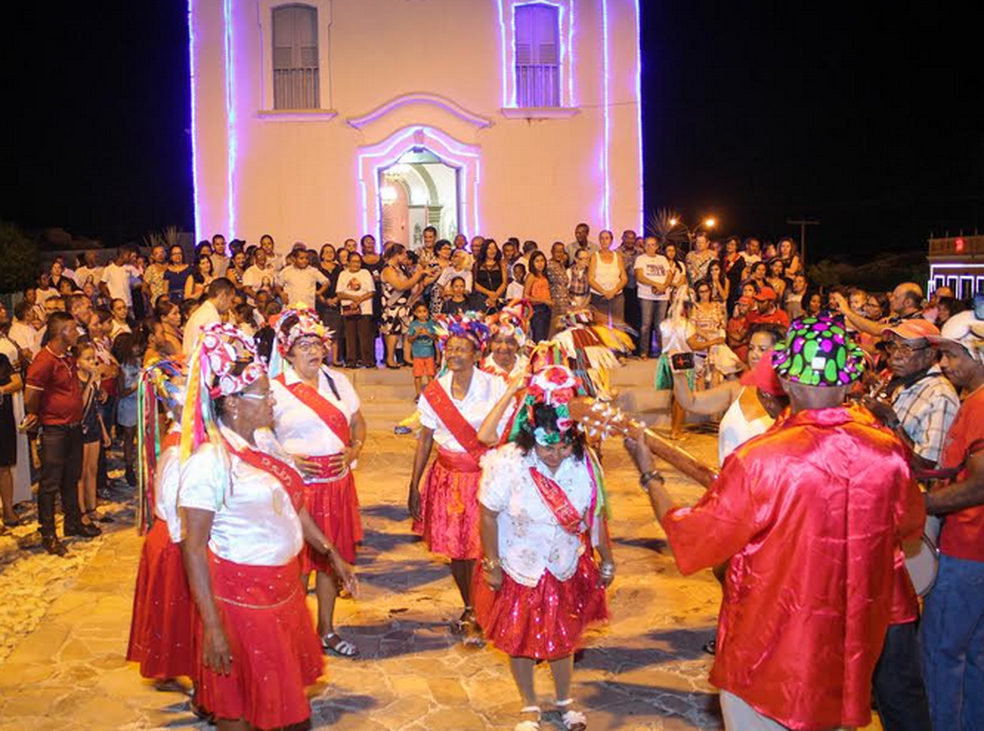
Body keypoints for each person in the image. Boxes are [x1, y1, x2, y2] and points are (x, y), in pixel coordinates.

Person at [626, 315, 926, 731]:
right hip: (847, 661)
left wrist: (649, 475)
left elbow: (691, 539)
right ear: (847, 382)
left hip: (766, 664)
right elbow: (909, 530)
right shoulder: (888, 454)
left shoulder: (760, 460)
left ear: (785, 382)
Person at [179, 322, 356, 731]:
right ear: (235, 404)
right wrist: (212, 627)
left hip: (282, 590)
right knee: (239, 703)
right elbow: (193, 548)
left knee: (281, 698)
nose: (273, 398)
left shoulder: (267, 442)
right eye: (263, 392)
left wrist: (332, 553)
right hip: (240, 599)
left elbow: (295, 505)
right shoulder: (210, 463)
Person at [474, 365, 613, 731]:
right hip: (519, 562)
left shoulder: (585, 462)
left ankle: (566, 701)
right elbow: (487, 512)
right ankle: (529, 706)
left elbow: (596, 515)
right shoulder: (508, 462)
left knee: (564, 637)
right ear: (531, 437)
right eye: (546, 446)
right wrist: (491, 563)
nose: (555, 454)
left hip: (565, 561)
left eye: (563, 445)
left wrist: (607, 557)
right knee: (518, 638)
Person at [269, 307, 366, 658]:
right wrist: (287, 459)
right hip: (298, 490)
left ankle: (326, 630)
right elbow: (260, 436)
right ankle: (292, 634)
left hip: (337, 484)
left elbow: (358, 423)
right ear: (288, 351)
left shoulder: (338, 382)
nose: (312, 350)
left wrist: (355, 447)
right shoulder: (276, 390)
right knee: (296, 566)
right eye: (304, 344)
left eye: (317, 343)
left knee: (330, 561)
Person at [407, 315, 508, 640]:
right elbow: (425, 438)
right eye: (449, 348)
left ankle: (493, 605)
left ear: (477, 353)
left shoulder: (495, 386)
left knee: (487, 547)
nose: (454, 354)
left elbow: (505, 434)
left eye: (462, 348)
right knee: (458, 550)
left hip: (486, 477)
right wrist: (414, 484)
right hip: (448, 479)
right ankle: (470, 606)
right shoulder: (434, 392)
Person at [920, 310, 984, 730]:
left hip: (965, 550)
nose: (945, 365)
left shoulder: (979, 406)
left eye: (954, 355)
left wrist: (921, 507)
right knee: (975, 657)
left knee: (942, 656)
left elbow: (979, 485)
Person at [125, 359, 196, 688]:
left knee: (177, 611)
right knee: (177, 611)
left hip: (172, 534)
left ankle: (172, 666)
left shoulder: (183, 441)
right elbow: (172, 503)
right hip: (173, 537)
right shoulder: (177, 450)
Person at [24, 312, 98, 555]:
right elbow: (31, 396)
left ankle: (72, 522)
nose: (77, 333)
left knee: (71, 477)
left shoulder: (66, 357)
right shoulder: (44, 360)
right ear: (61, 332)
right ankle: (48, 534)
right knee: (50, 483)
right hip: (55, 429)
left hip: (73, 426)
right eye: (73, 329)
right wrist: (36, 415)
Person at [673, 323, 786, 463]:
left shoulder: (790, 399)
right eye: (751, 348)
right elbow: (691, 402)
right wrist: (679, 376)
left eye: (762, 349)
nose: (754, 355)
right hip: (728, 481)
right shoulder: (737, 388)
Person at [75, 341, 111, 526]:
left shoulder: (93, 381)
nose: (92, 362)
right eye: (87, 359)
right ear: (77, 362)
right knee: (80, 473)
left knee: (93, 470)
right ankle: (81, 511)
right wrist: (90, 381)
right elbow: (80, 405)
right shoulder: (76, 381)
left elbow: (96, 408)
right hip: (80, 429)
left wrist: (104, 431)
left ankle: (92, 507)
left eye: (93, 359)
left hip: (94, 427)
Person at [380, 244, 427, 369]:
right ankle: (390, 358)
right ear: (397, 254)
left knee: (407, 332)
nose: (406, 256)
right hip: (393, 306)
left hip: (405, 305)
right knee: (393, 332)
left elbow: (411, 284)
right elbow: (400, 286)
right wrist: (417, 276)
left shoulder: (401, 268)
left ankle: (407, 357)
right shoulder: (388, 270)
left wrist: (421, 276)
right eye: (404, 253)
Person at [337, 252, 377, 369]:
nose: (356, 264)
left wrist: (359, 300)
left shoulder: (365, 273)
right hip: (348, 308)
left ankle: (368, 361)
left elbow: (371, 291)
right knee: (350, 336)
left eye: (358, 262)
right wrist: (353, 298)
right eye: (354, 261)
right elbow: (339, 293)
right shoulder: (343, 274)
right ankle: (351, 361)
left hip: (364, 309)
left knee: (365, 336)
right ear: (348, 262)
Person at [635, 236, 670, 359]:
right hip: (646, 295)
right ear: (643, 246)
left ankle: (662, 351)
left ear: (657, 246)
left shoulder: (663, 259)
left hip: (663, 296)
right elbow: (640, 276)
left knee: (660, 325)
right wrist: (656, 284)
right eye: (648, 245)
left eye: (653, 244)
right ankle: (644, 352)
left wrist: (664, 286)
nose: (650, 247)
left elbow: (669, 274)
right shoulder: (640, 259)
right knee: (646, 324)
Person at [182, 278, 236, 358]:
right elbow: (213, 352)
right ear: (222, 296)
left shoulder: (203, 311)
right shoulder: (212, 315)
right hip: (199, 367)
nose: (230, 305)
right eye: (231, 300)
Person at [0, 350, 23, 530]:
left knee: (5, 466)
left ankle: (8, 510)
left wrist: (2, 389)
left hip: (3, 418)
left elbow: (17, 382)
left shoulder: (1, 358)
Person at [588, 232, 627, 324]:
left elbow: (624, 278)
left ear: (611, 240)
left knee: (618, 325)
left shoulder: (618, 257)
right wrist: (604, 292)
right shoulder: (594, 256)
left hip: (616, 297)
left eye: (607, 238)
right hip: (599, 297)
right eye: (602, 238)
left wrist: (614, 291)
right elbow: (590, 279)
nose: (604, 241)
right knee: (601, 326)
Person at [408, 302, 438, 400]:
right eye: (419, 312)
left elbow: (435, 337)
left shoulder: (431, 324)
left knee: (431, 375)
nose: (422, 314)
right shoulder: (413, 325)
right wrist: (416, 334)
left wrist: (427, 334)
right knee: (418, 376)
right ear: (415, 313)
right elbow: (409, 339)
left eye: (424, 311)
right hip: (417, 354)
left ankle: (432, 393)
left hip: (429, 353)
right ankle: (418, 394)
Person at [100, 246, 140, 315]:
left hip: (128, 303)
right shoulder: (109, 269)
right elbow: (101, 285)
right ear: (122, 255)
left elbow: (141, 279)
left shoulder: (130, 268)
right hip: (117, 304)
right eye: (128, 255)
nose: (130, 258)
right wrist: (110, 298)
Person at [472, 239, 507, 313]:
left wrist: (495, 296)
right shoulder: (477, 264)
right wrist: (489, 294)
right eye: (489, 248)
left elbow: (504, 283)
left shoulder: (501, 264)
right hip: (482, 299)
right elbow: (475, 283)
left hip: (498, 297)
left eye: (494, 248)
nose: (492, 251)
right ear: (484, 250)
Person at [525, 251, 553, 343]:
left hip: (546, 309)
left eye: (542, 260)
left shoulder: (544, 276)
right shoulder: (532, 276)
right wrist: (543, 300)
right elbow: (525, 296)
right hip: (537, 309)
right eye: (537, 261)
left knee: (545, 337)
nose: (540, 264)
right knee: (539, 337)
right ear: (532, 263)